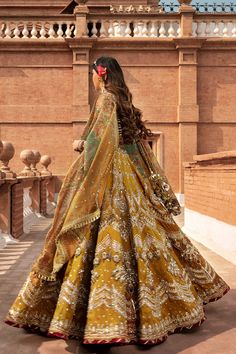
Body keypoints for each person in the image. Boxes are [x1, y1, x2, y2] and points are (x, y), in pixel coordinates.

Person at [5, 56, 230, 345]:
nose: (92, 78)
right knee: (144, 236)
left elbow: (100, 141)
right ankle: (163, 307)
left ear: (101, 75)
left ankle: (100, 319)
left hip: (108, 175)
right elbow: (135, 145)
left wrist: (81, 145)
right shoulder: (122, 104)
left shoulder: (104, 101)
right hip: (129, 175)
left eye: (93, 73)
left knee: (99, 235)